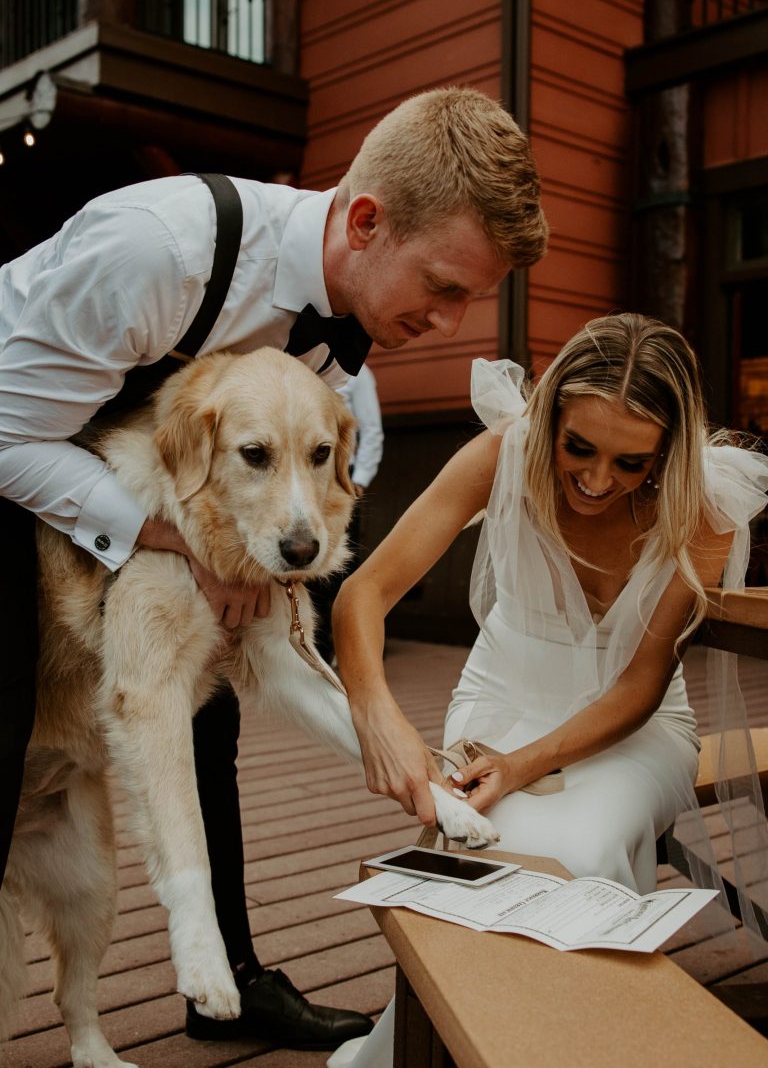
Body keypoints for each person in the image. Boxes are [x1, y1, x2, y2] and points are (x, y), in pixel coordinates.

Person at [0, 87, 548, 1050]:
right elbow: (3, 432)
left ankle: (228, 975)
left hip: (124, 515)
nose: (452, 320)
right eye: (445, 286)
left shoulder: (336, 338)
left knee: (207, 710)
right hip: (13, 486)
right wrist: (164, 536)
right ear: (367, 222)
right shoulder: (156, 254)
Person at [329, 312, 768, 1067]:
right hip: (504, 690)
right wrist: (379, 717)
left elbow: (639, 685)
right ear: (553, 414)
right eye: (579, 448)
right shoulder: (501, 452)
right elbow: (362, 594)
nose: (599, 482)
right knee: (501, 838)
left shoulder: (707, 499)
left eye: (633, 464)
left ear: (669, 451)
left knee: (582, 842)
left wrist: (523, 764)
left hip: (636, 724)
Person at [312, 362, 385, 662]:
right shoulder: (307, 364)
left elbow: (371, 429)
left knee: (341, 565)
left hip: (342, 480)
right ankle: (315, 646)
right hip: (308, 478)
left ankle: (345, 646)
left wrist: (359, 480)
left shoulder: (360, 374)